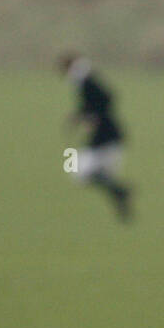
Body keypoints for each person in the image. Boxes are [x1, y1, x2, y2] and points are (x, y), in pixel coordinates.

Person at [58, 52, 132, 220]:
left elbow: (106, 98)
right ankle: (120, 194)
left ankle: (120, 192)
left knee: (79, 172)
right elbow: (99, 101)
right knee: (90, 173)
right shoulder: (85, 80)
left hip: (105, 136)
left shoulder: (86, 81)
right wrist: (82, 116)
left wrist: (88, 116)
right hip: (107, 136)